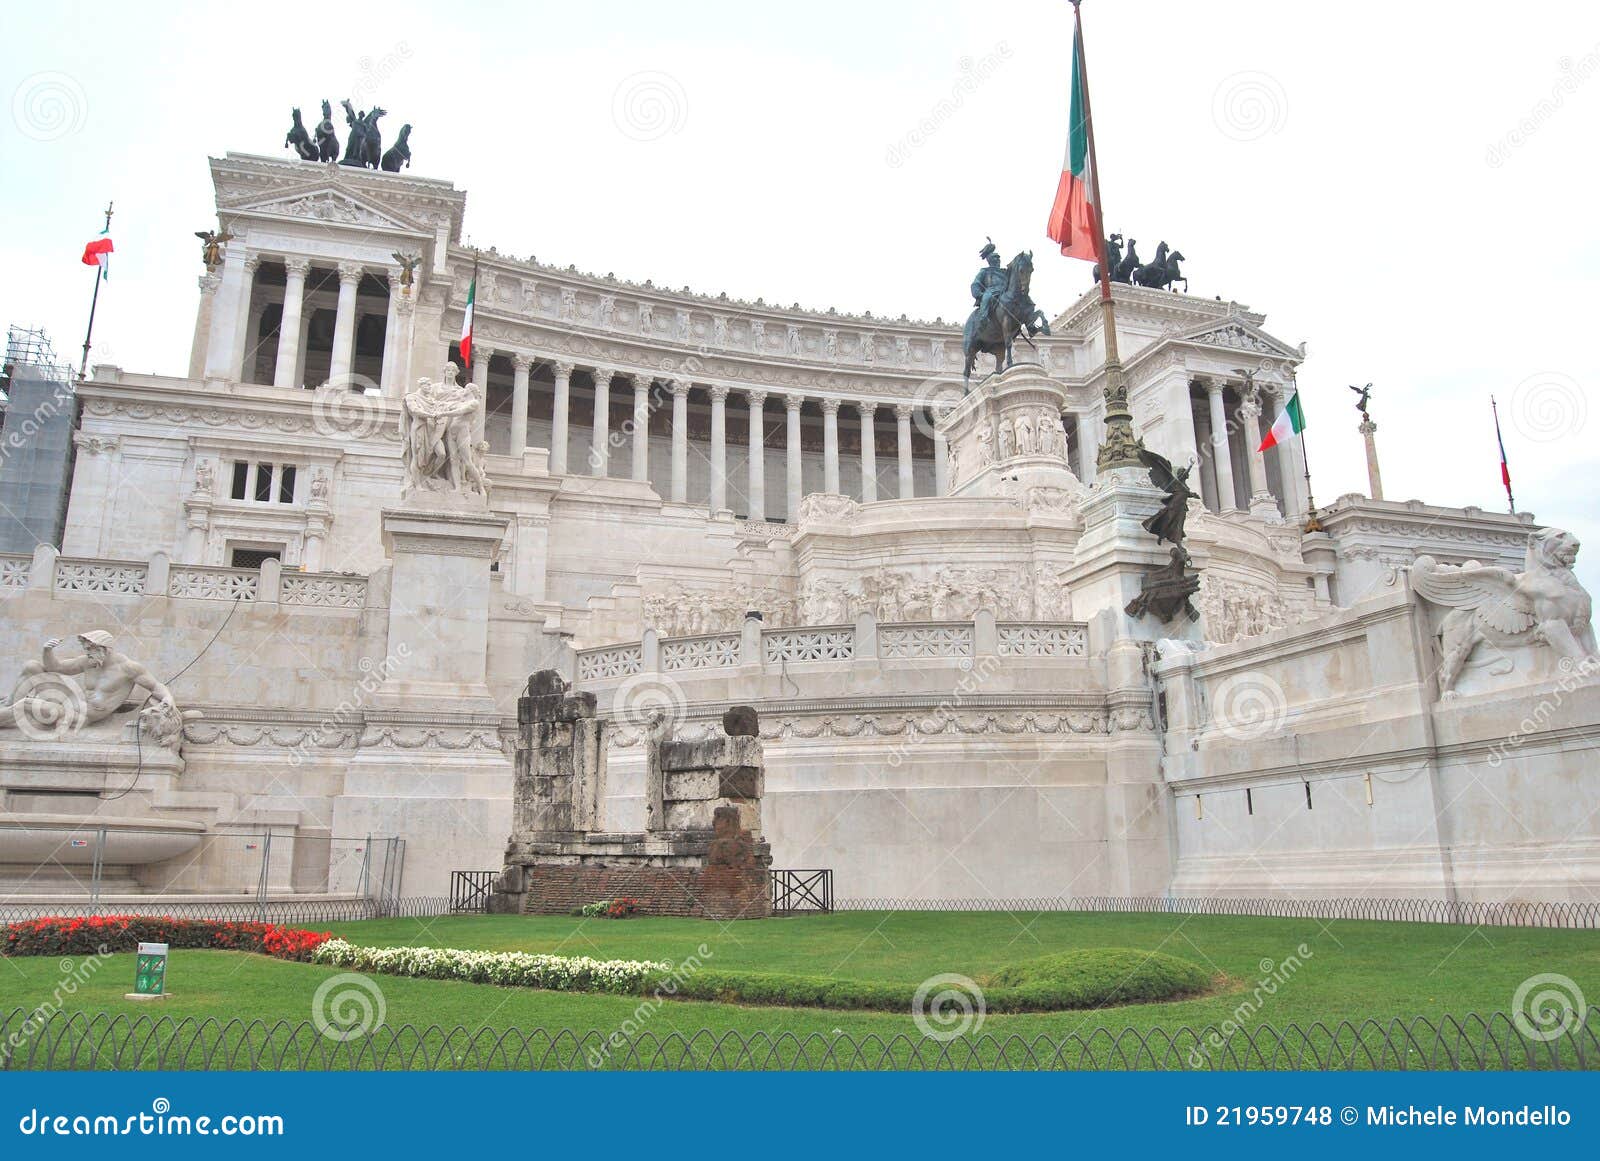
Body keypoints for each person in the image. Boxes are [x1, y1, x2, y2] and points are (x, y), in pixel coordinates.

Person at [0, 631, 177, 734]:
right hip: (71, 702)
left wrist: (168, 698)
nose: (87, 653)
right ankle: (7, 705)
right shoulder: (89, 661)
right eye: (86, 649)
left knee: (26, 704)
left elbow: (155, 686)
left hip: (82, 715)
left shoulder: (128, 668)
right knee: (31, 667)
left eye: (90, 649)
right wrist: (47, 651)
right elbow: (56, 667)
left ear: (104, 649)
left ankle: (7, 713)